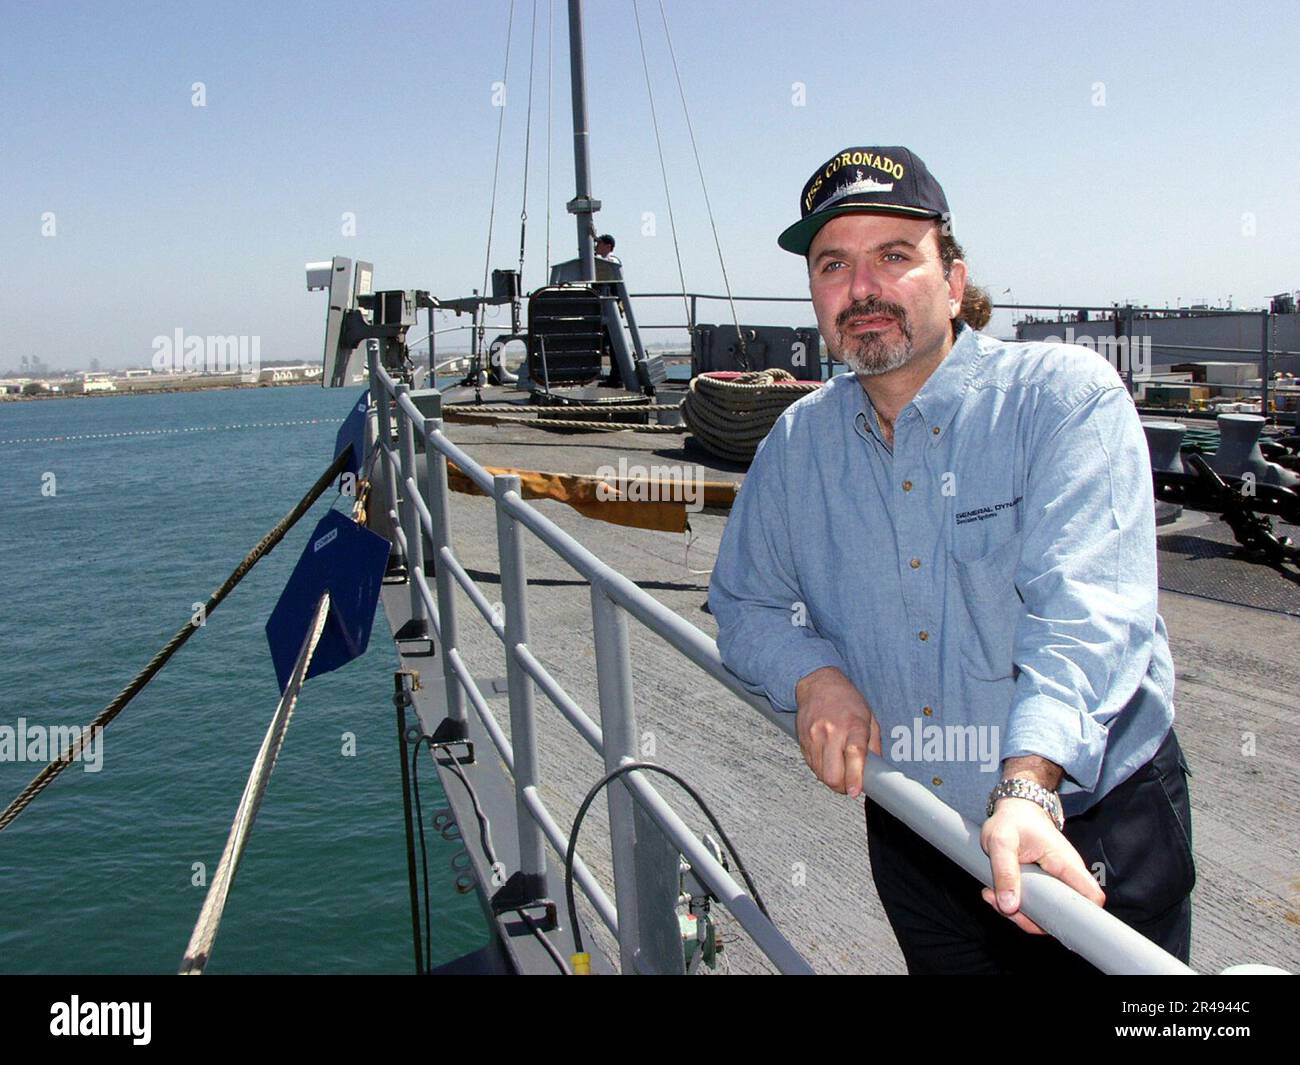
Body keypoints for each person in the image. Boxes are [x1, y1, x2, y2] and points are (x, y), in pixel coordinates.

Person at [707, 145, 1194, 974]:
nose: (862, 288)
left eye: (895, 256)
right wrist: (812, 674)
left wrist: (1031, 784)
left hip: (1081, 827)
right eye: (834, 265)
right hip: (919, 831)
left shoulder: (1063, 399)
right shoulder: (798, 444)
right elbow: (743, 600)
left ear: (955, 282)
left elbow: (1086, 616)